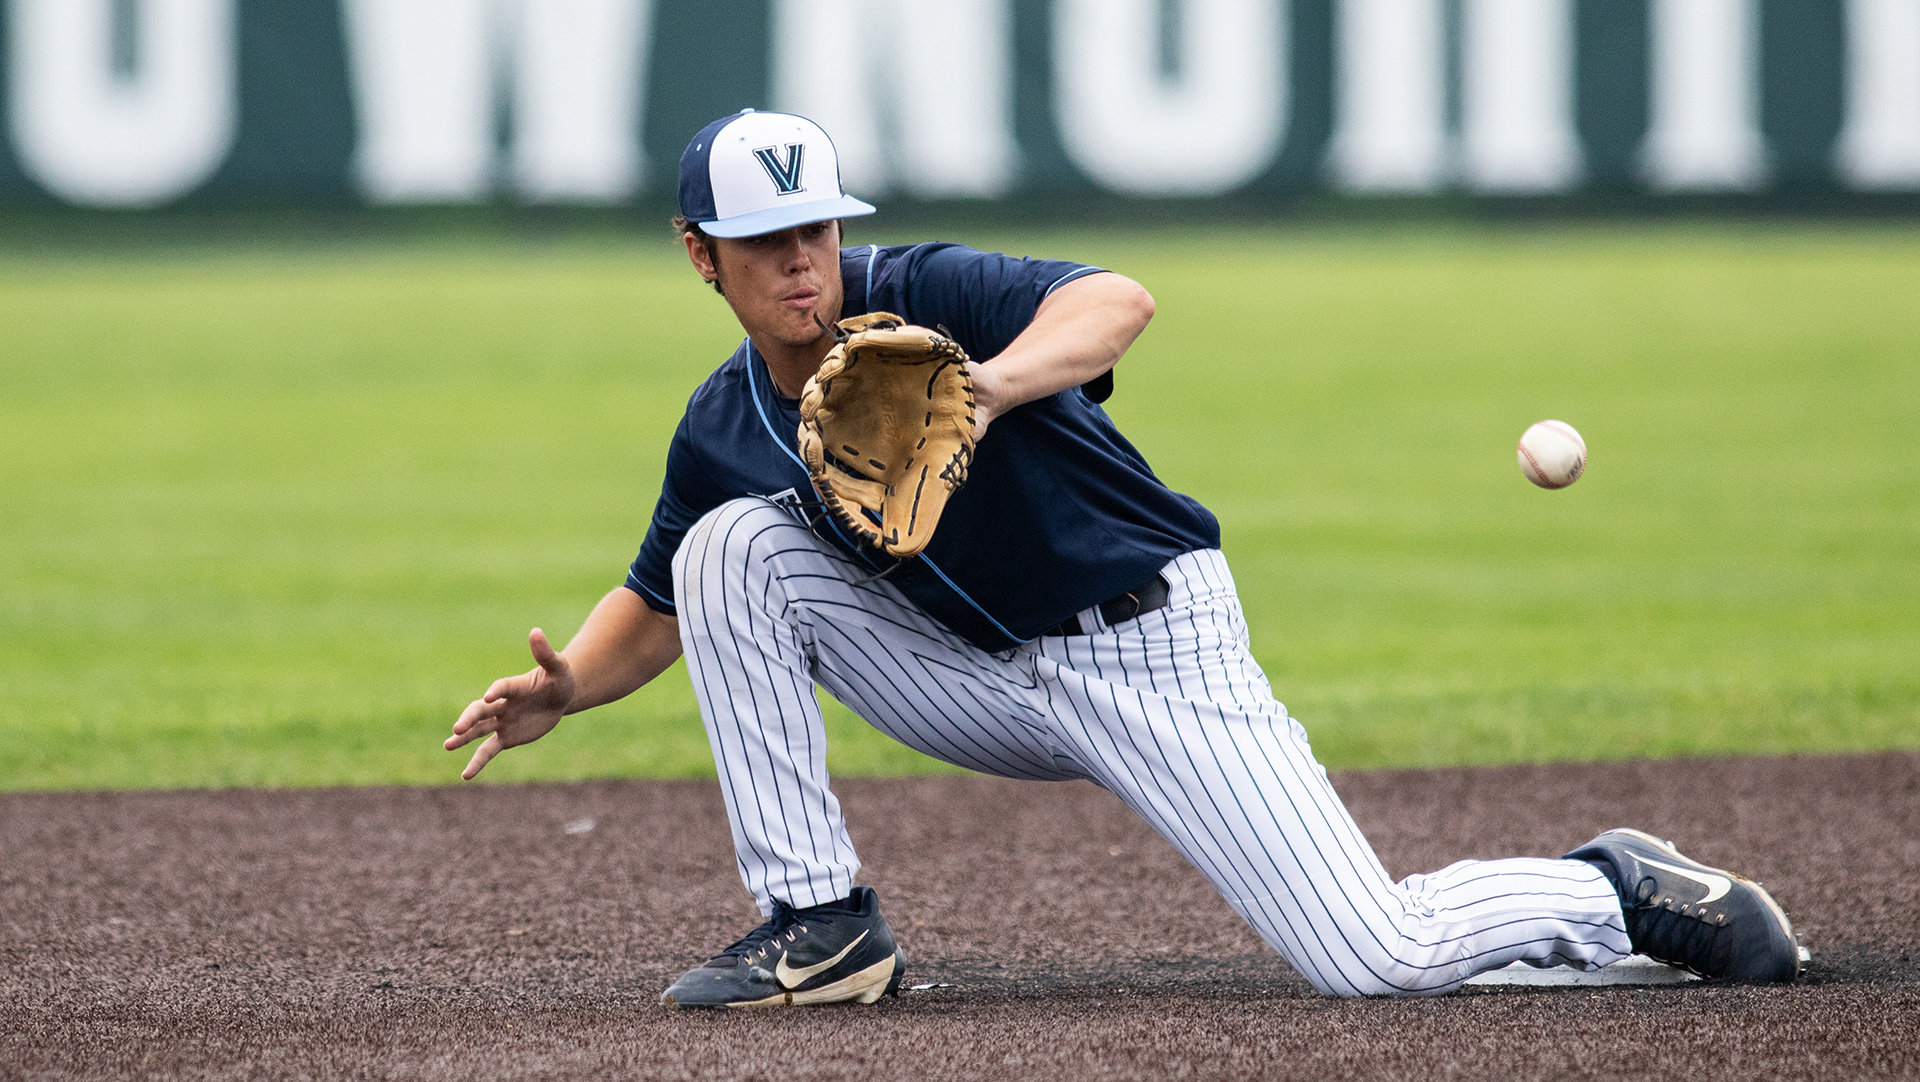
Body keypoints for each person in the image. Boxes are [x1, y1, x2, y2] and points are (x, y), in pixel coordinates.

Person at [447, 110, 1801, 1007]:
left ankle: (1612, 885)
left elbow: (1116, 301)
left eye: (818, 229)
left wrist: (983, 387)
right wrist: (569, 688)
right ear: (702, 257)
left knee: (1372, 957)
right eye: (765, 242)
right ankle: (822, 924)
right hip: (975, 678)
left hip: (1150, 644)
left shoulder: (926, 294)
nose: (804, 261)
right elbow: (659, 599)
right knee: (730, 546)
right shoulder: (723, 420)